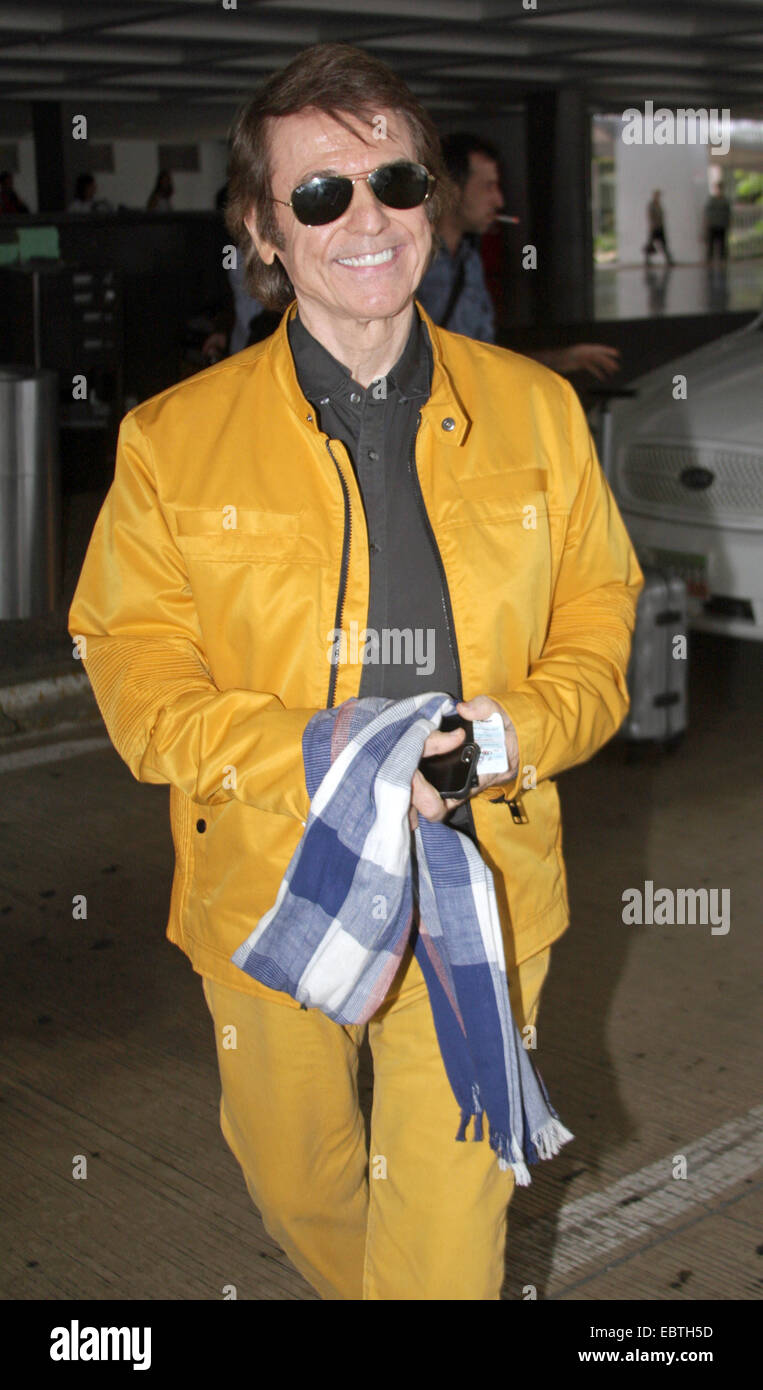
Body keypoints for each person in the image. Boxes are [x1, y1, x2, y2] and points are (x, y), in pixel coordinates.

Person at [68, 42, 642, 1301]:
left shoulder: (535, 412)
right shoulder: (173, 441)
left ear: (430, 203)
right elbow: (138, 677)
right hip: (277, 880)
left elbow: (602, 615)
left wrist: (507, 734)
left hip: (479, 874)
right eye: (319, 194)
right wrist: (332, 758)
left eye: (393, 182)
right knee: (303, 1183)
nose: (365, 218)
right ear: (264, 230)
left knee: (441, 1240)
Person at [417, 132, 622, 381]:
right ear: (453, 190)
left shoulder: (468, 261)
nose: (498, 200)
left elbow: (485, 355)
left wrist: (561, 360)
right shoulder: (414, 261)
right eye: (488, 186)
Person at [644, 189, 674, 265]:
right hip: (655, 227)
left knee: (663, 244)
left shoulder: (659, 205)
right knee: (651, 244)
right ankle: (647, 261)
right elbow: (650, 216)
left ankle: (669, 260)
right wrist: (652, 226)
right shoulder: (652, 205)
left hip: (660, 227)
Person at [704, 185, 731, 263]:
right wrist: (707, 223)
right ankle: (710, 260)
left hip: (722, 224)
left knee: (722, 243)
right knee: (711, 243)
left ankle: (722, 259)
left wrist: (728, 223)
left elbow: (728, 213)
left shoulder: (725, 201)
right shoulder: (712, 200)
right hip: (713, 224)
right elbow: (707, 213)